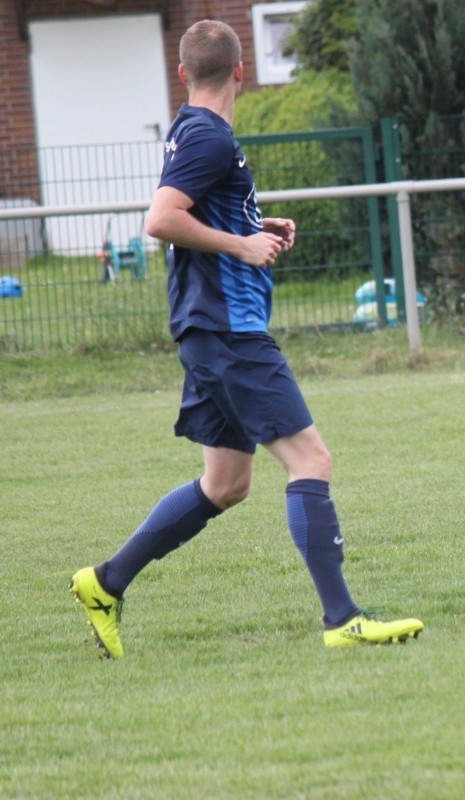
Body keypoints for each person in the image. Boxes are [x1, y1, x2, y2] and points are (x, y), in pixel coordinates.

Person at [69, 20, 423, 659]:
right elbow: (162, 220)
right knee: (311, 461)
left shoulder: (191, 132)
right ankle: (342, 618)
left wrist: (255, 224)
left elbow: (196, 211)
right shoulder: (208, 138)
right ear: (242, 71)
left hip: (209, 332)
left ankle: (105, 581)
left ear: (183, 73)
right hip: (230, 333)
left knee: (225, 484)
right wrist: (242, 242)